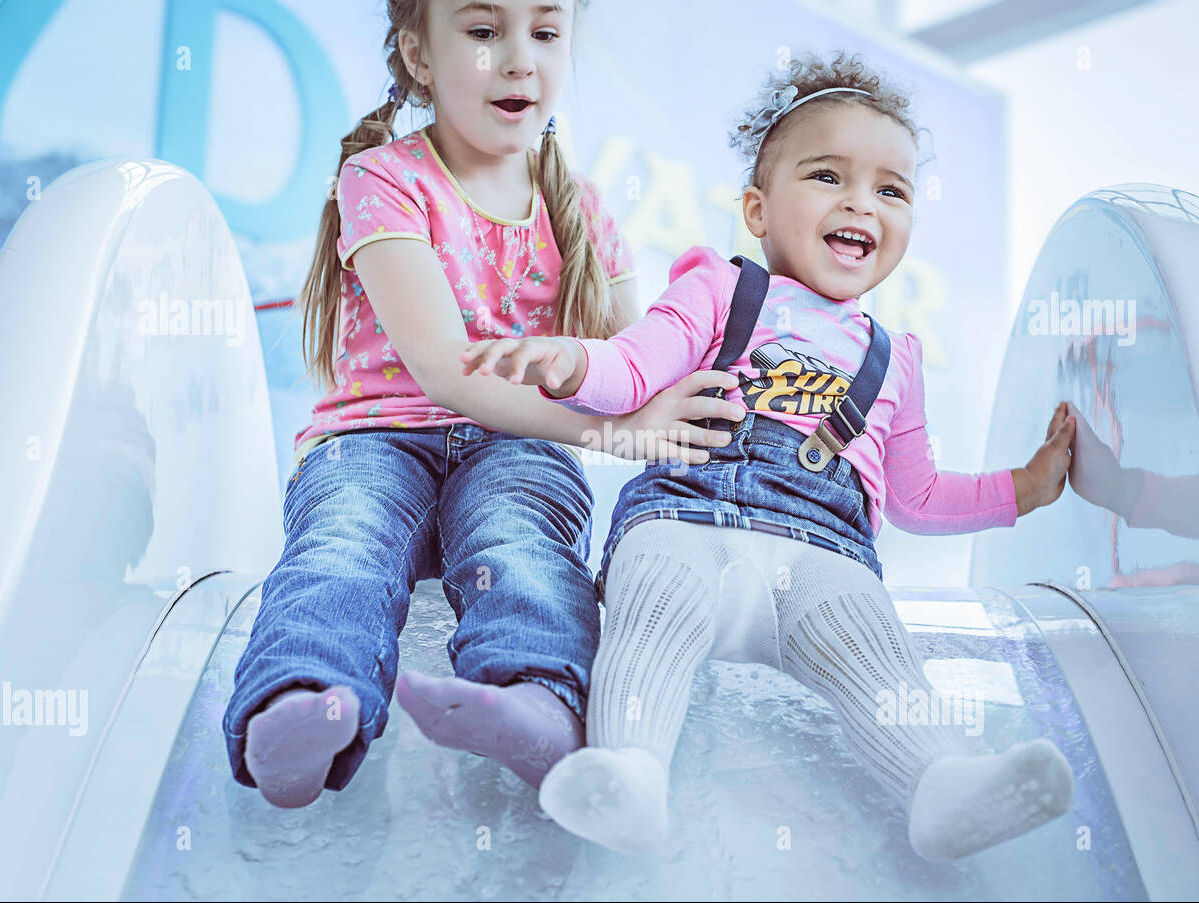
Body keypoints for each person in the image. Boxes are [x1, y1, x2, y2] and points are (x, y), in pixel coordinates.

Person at [461, 51, 1077, 859]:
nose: (862, 201)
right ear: (757, 206)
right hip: (687, 516)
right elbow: (637, 365)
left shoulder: (897, 357)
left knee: (875, 649)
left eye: (890, 189)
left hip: (822, 551)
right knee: (650, 609)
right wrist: (574, 364)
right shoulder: (720, 287)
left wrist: (1026, 487)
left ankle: (942, 784)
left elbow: (916, 495)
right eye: (829, 175)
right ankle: (630, 774)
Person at [221, 0, 744, 809]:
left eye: (544, 32)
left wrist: (708, 326)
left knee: (520, 536)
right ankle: (301, 698)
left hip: (517, 450)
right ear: (419, 56)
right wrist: (617, 432)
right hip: (377, 437)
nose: (518, 58)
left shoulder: (587, 212)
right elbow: (446, 373)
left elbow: (633, 364)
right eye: (481, 30)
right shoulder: (383, 179)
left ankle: (536, 698)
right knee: (345, 537)